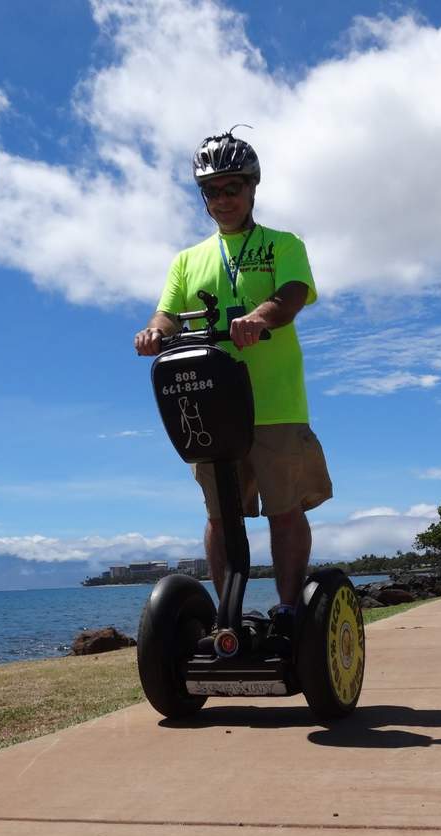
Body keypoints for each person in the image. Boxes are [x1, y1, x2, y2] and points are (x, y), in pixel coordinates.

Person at [134, 129, 332, 631]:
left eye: (232, 188)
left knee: (284, 510)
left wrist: (260, 317)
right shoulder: (187, 260)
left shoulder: (282, 245)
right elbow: (167, 315)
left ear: (252, 188)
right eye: (212, 191)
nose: (222, 199)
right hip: (209, 407)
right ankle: (228, 614)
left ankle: (288, 609)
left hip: (276, 404)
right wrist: (154, 332)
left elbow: (290, 296)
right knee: (221, 517)